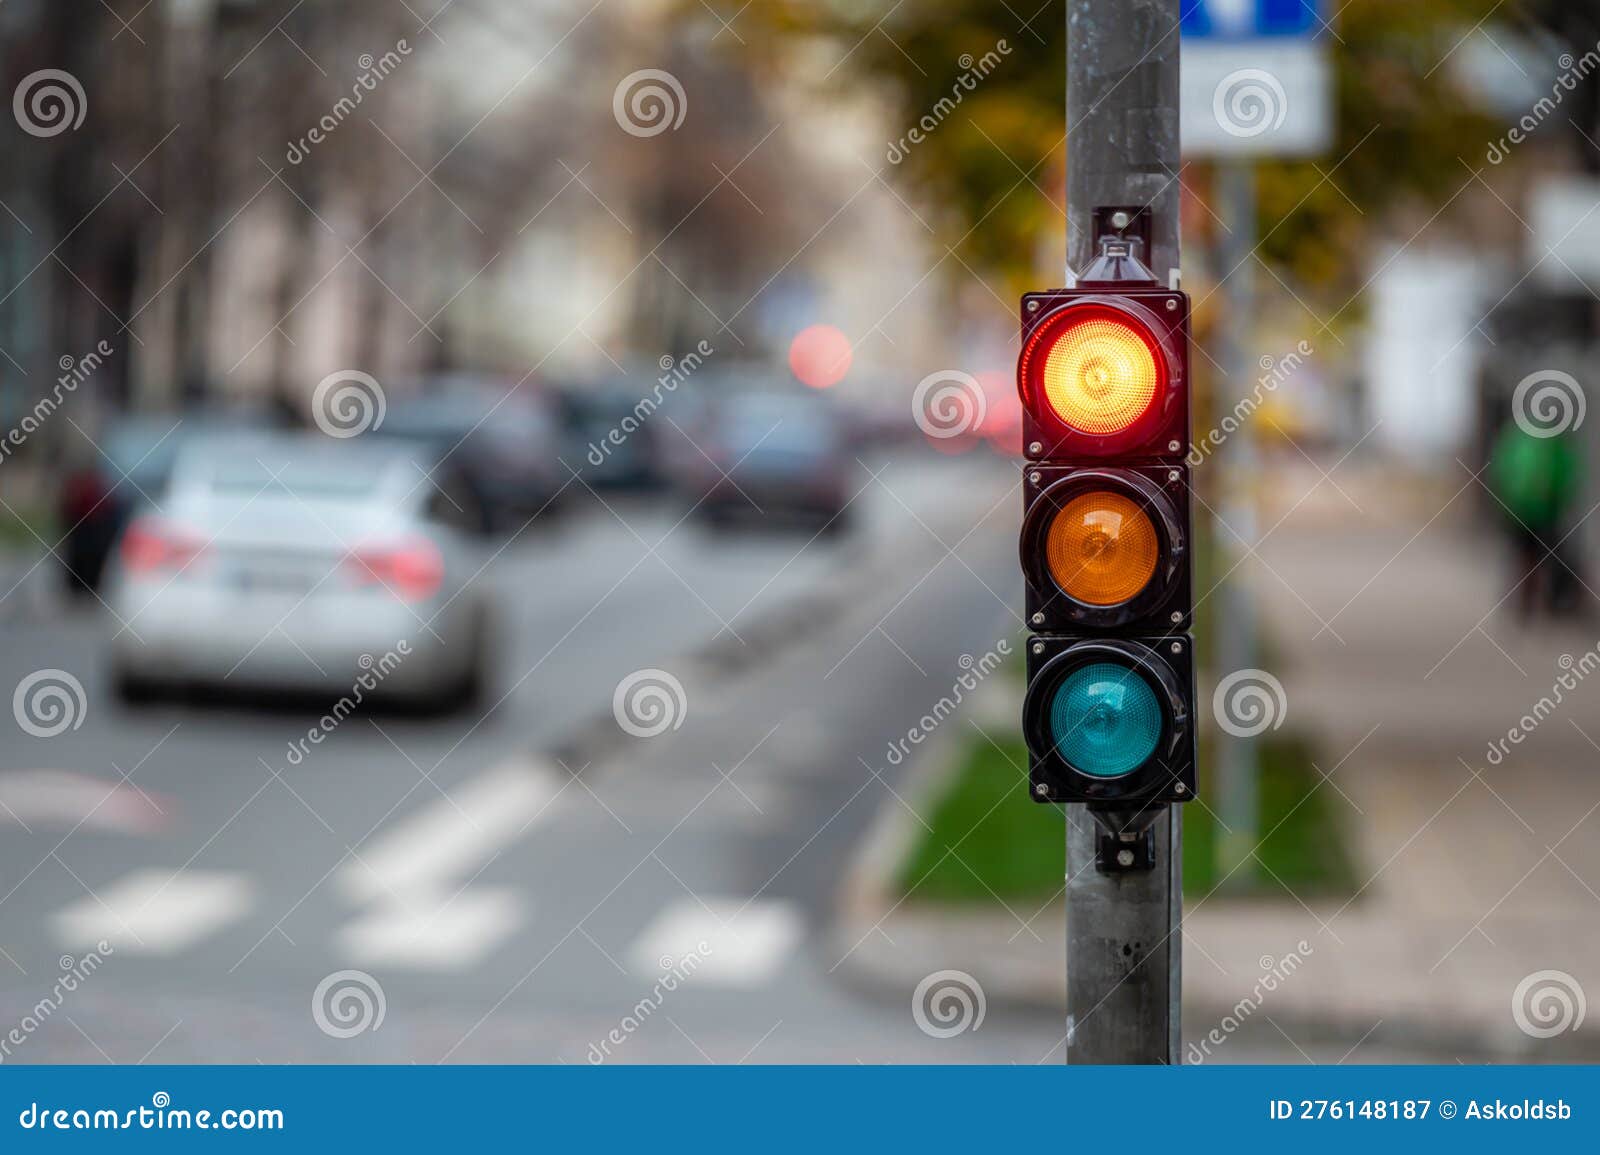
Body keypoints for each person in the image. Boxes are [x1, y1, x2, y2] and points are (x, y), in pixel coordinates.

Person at [1488, 420, 1585, 621]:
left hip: (1521, 509)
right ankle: (1533, 603)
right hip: (1542, 511)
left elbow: (1501, 469)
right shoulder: (1554, 444)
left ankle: (1527, 603)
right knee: (1538, 558)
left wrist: (1503, 501)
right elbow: (1567, 475)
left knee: (1525, 557)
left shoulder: (1517, 440)